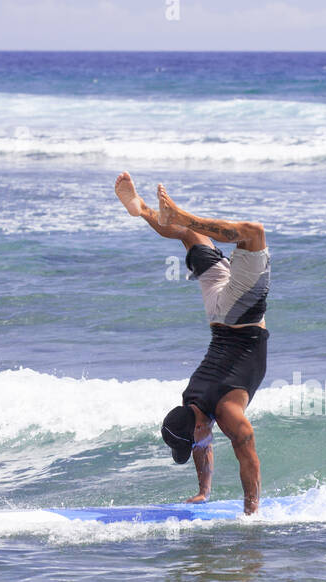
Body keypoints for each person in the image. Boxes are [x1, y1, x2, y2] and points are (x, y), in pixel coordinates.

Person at [114, 172, 269, 514]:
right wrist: (204, 491)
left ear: (198, 424)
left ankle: (179, 215)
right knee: (187, 236)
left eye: (197, 437)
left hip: (240, 312)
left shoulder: (228, 414)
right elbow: (201, 440)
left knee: (253, 233)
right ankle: (140, 210)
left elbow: (251, 462)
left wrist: (251, 512)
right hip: (216, 308)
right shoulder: (191, 400)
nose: (200, 441)